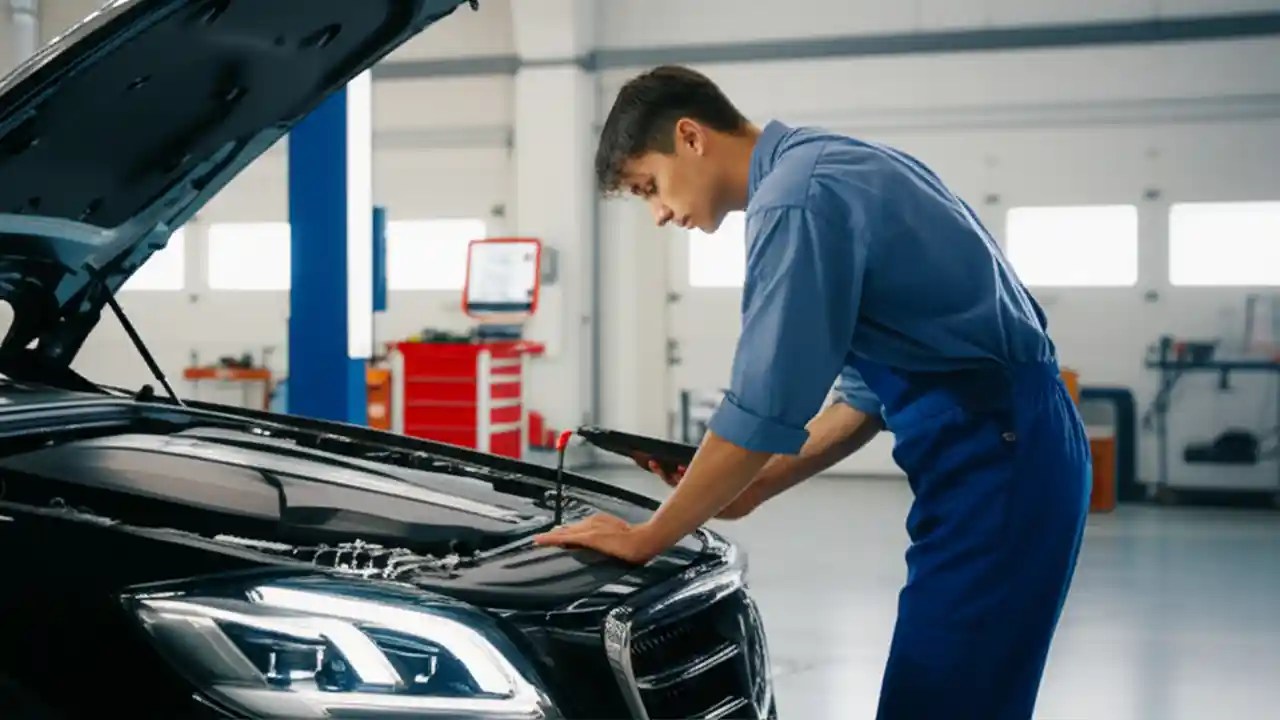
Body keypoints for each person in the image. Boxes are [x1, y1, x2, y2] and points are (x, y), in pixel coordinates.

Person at [532, 65, 1091, 720]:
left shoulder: (795, 201)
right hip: (1013, 449)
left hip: (999, 455)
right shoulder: (833, 164)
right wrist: (756, 484)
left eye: (649, 187)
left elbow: (763, 405)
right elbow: (863, 396)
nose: (657, 214)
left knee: (944, 698)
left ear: (690, 137)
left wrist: (649, 535)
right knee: (962, 692)